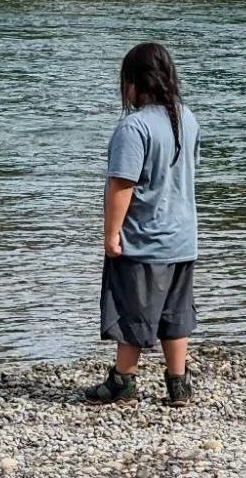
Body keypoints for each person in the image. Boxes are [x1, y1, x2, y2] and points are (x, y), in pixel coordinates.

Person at [84, 42, 200, 408]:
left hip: (146, 237)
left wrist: (111, 234)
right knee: (175, 312)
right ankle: (178, 383)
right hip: (183, 237)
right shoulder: (187, 118)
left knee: (132, 307)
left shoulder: (133, 128)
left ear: (133, 82)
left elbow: (122, 184)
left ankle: (123, 381)